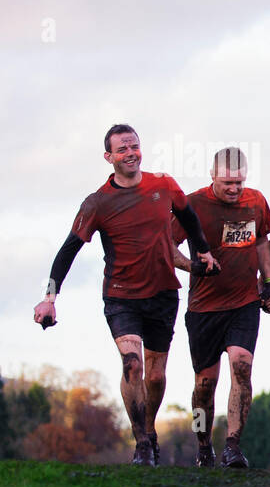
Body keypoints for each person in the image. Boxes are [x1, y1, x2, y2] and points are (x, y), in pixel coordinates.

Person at [32, 125, 217, 465]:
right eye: (122, 149)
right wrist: (49, 297)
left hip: (163, 294)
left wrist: (202, 252)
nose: (131, 153)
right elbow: (68, 250)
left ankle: (149, 427)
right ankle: (143, 442)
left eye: (135, 146)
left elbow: (189, 218)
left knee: (156, 375)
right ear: (109, 157)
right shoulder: (98, 202)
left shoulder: (163, 184)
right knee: (132, 365)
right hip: (121, 296)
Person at [174, 148, 270, 468]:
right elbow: (165, 246)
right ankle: (203, 444)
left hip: (244, 302)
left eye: (239, 182)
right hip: (203, 308)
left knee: (241, 365)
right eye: (227, 182)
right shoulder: (192, 204)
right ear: (212, 175)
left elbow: (261, 242)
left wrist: (269, 282)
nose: (234, 188)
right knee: (204, 385)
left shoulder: (256, 201)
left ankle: (233, 444)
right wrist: (195, 267)